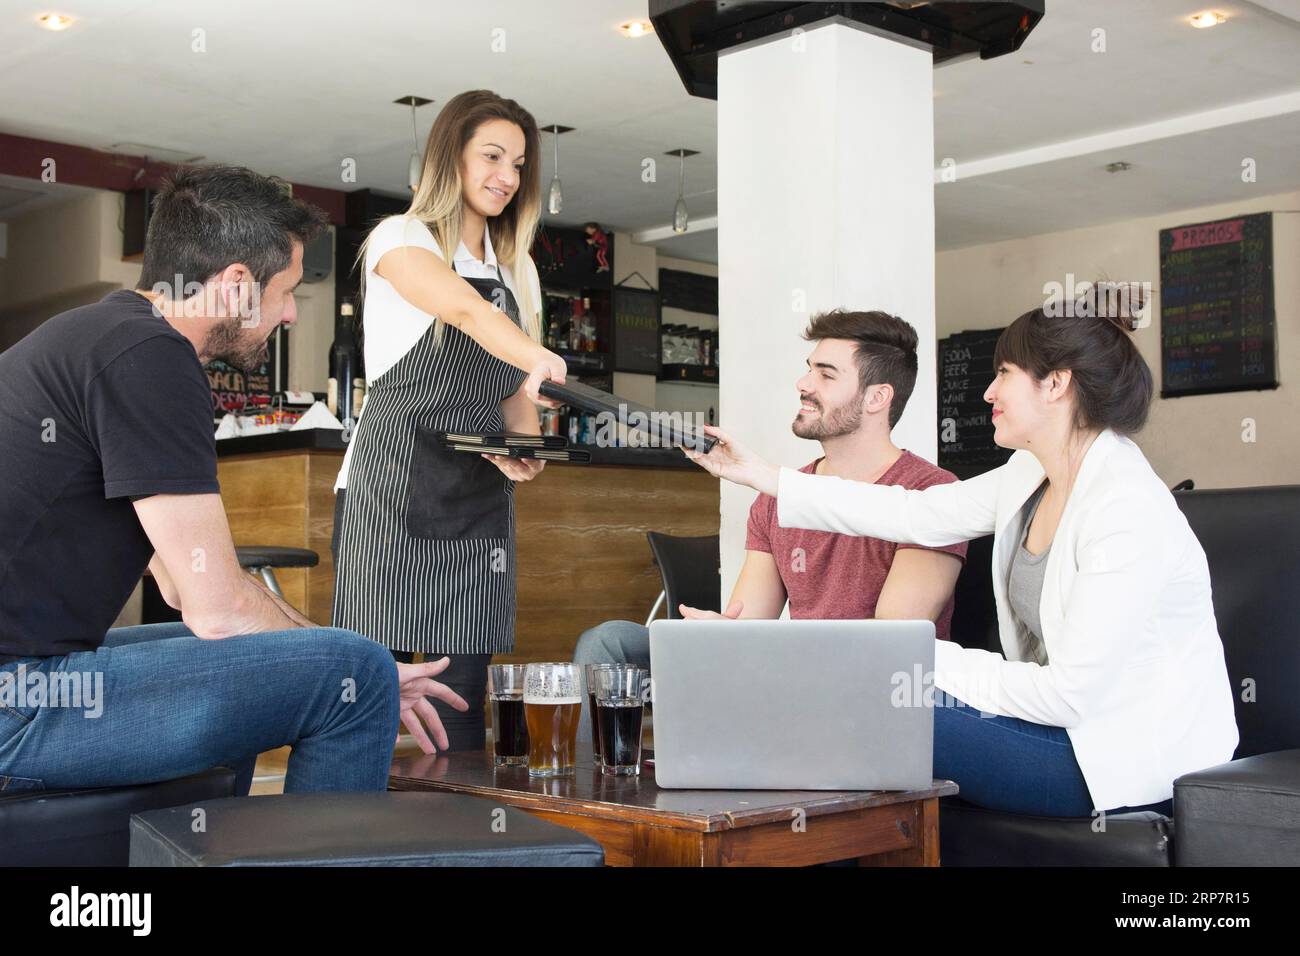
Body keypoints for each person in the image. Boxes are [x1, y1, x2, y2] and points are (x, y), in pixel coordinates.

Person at [0, 165, 464, 796]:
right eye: (287, 291)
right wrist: (369, 669)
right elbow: (222, 613)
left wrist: (344, 656)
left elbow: (191, 589)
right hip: (17, 706)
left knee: (318, 660)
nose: (292, 315)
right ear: (238, 285)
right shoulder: (151, 359)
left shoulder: (101, 334)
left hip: (30, 682)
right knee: (352, 671)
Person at [684, 288, 1239, 816]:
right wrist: (760, 475)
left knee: (878, 708)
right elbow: (915, 514)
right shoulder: (1031, 472)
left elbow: (1069, 697)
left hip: (1117, 758)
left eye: (1003, 374)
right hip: (1058, 727)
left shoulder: (1125, 509)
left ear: (1056, 384)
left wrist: (924, 661)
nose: (988, 393)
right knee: (862, 710)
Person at [574, 310, 966, 739]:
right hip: (782, 675)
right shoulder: (776, 499)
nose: (804, 384)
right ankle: (589, 796)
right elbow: (749, 623)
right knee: (609, 642)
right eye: (808, 370)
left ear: (876, 398)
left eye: (826, 375)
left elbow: (891, 644)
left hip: (863, 694)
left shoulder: (932, 493)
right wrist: (723, 636)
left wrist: (770, 651)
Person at [331, 90, 567, 752]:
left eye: (519, 164)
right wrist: (536, 355)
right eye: (492, 156)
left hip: (474, 496)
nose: (508, 177)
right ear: (449, 158)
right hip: (392, 485)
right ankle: (353, 833)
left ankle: (459, 832)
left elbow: (516, 395)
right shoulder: (398, 238)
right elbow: (466, 313)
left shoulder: (516, 269)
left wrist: (526, 453)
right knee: (371, 687)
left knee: (462, 702)